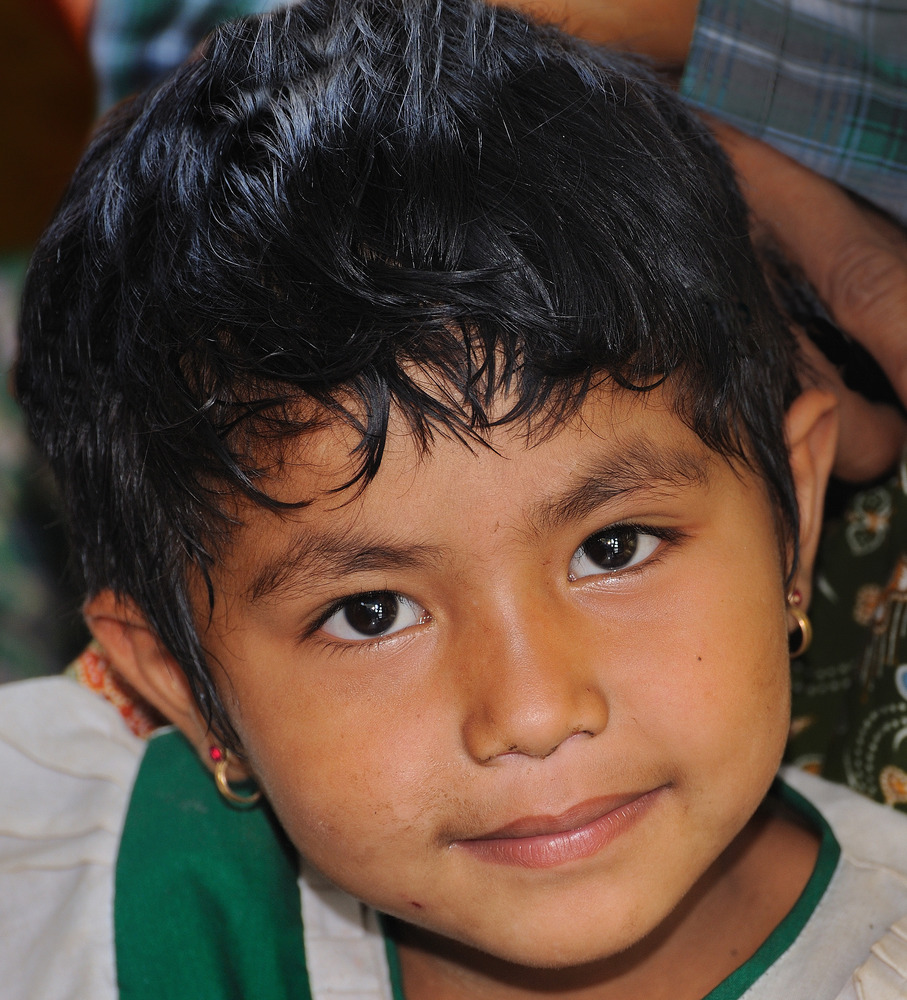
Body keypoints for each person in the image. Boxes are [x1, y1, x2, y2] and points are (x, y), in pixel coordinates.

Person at [6, 0, 907, 997]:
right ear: (178, 680)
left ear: (793, 516)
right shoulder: (70, 899)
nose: (530, 710)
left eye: (613, 548)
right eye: (370, 612)